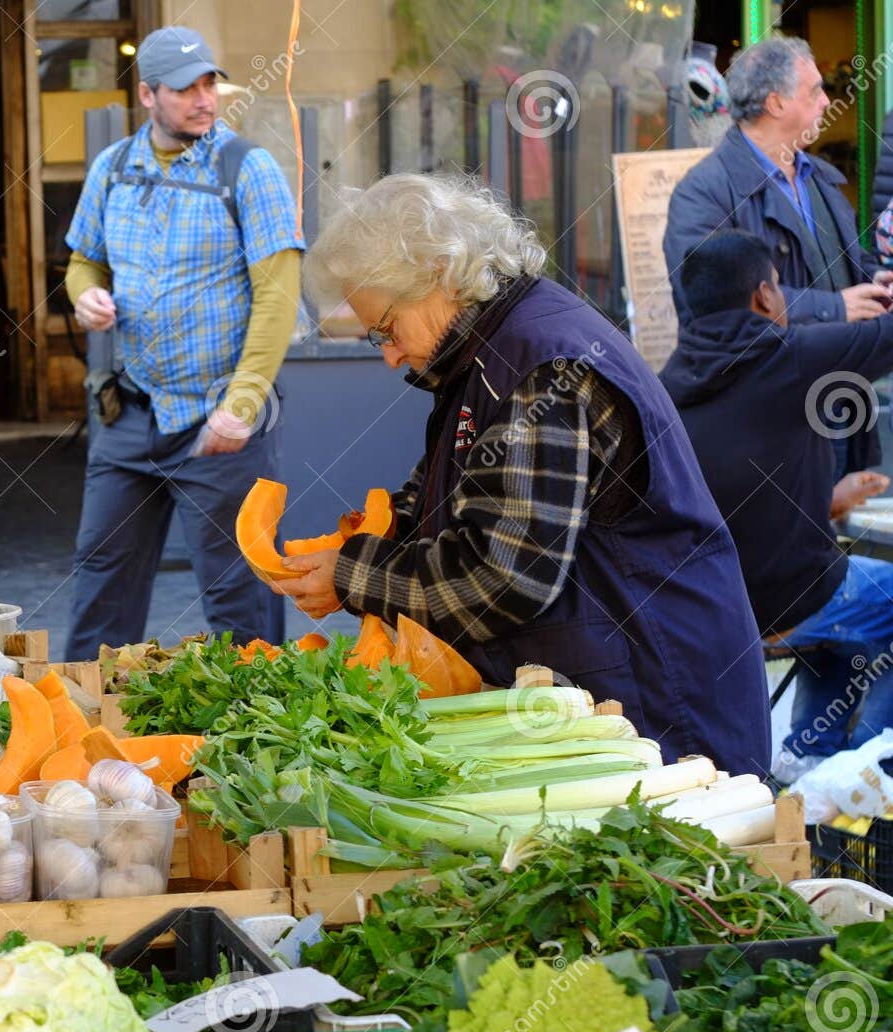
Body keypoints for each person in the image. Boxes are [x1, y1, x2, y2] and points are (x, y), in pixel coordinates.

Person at [281, 173, 769, 775]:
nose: (388, 355)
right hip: (611, 691)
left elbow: (501, 578)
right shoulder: (488, 352)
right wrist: (388, 530)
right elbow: (460, 486)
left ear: (437, 274)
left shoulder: (541, 365)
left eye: (386, 328)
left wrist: (354, 573)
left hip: (660, 706)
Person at [62, 26, 304, 660]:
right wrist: (84, 296)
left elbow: (279, 295)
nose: (204, 99)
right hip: (129, 415)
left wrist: (242, 404)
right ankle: (87, 728)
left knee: (239, 600)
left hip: (219, 419)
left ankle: (252, 739)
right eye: (185, 88)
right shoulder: (112, 169)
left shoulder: (247, 170)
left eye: (209, 84)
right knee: (100, 583)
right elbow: (84, 261)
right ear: (146, 94)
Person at [660, 230, 893, 780]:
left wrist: (832, 500)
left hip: (715, 608)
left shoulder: (668, 382)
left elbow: (741, 493)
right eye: (782, 289)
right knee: (857, 597)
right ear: (764, 296)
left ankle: (805, 762)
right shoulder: (789, 357)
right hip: (790, 597)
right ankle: (870, 770)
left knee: (842, 625)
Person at [663, 35, 891, 477]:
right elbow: (709, 308)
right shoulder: (703, 191)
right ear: (776, 103)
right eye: (815, 91)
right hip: (764, 422)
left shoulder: (819, 176)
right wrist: (835, 307)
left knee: (833, 533)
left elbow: (847, 262)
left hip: (837, 403)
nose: (828, 102)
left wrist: (877, 281)